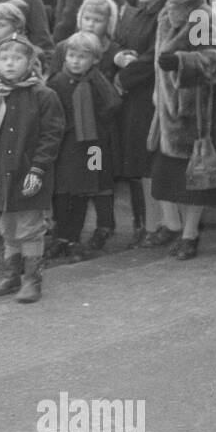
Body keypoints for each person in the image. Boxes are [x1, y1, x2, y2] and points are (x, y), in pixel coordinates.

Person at [148, 0, 216, 260]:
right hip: (169, 111)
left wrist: (183, 62)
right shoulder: (166, 13)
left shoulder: (201, 16)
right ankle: (174, 227)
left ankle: (190, 235)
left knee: (194, 181)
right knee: (169, 178)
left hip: (197, 112)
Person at [0, 35, 64, 303]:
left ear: (30, 63)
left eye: (17, 59)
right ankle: (11, 275)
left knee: (30, 226)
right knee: (8, 225)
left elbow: (52, 136)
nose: (10, 64)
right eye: (5, 59)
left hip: (29, 172)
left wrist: (37, 170)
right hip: (3, 171)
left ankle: (32, 279)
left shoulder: (44, 96)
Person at [47, 31, 121, 260]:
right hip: (66, 145)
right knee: (62, 192)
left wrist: (94, 124)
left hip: (93, 147)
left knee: (87, 188)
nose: (76, 61)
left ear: (95, 59)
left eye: (82, 57)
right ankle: (60, 236)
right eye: (71, 55)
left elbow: (112, 105)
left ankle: (73, 238)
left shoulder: (97, 81)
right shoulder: (57, 81)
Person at [113, 0, 165, 246]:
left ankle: (155, 224)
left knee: (150, 160)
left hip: (149, 93)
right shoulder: (139, 14)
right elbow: (123, 44)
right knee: (140, 160)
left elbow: (153, 56)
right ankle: (147, 223)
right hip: (135, 95)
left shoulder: (162, 15)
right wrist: (120, 56)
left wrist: (124, 75)